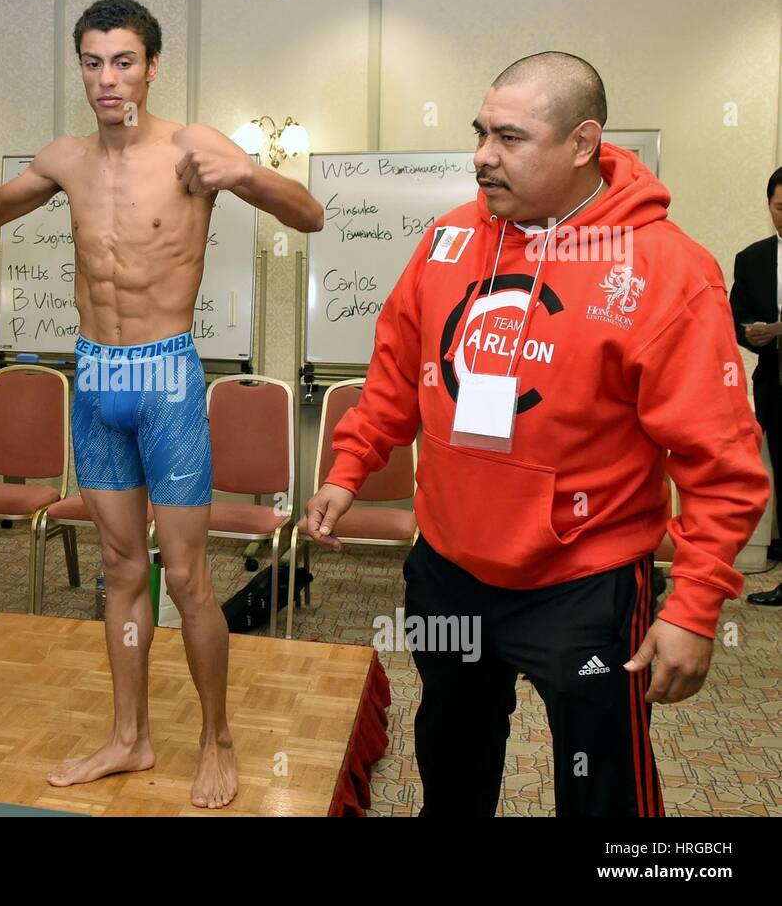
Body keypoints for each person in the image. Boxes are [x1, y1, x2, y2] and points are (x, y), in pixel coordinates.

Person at [300, 52, 770, 817]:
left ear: (583, 142)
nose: (483, 154)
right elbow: (396, 372)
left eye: (510, 138)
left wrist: (694, 603)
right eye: (481, 132)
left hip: (584, 584)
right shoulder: (450, 240)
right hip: (451, 568)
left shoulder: (666, 269)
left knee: (600, 788)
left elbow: (721, 460)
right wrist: (348, 468)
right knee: (451, 767)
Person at [0, 0, 323, 809]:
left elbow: (310, 214)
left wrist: (246, 173)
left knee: (184, 577)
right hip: (97, 377)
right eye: (91, 61)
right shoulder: (67, 157)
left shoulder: (193, 146)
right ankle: (130, 736)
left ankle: (217, 738)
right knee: (120, 571)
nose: (107, 79)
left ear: (151, 67)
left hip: (167, 379)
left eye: (122, 61)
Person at [729, 165, 782, 606]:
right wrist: (751, 332)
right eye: (781, 207)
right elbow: (734, 318)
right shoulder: (752, 259)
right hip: (774, 386)